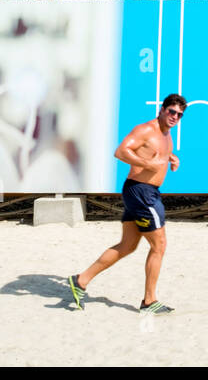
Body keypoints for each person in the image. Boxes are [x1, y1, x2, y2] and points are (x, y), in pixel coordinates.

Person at [69, 94, 184, 315]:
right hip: (142, 194)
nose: (174, 117)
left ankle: (80, 281)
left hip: (143, 192)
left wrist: (171, 159)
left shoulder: (167, 134)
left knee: (128, 245)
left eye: (179, 114)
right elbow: (121, 151)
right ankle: (149, 302)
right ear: (161, 109)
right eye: (171, 111)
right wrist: (147, 163)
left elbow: (156, 154)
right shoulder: (146, 130)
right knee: (159, 246)